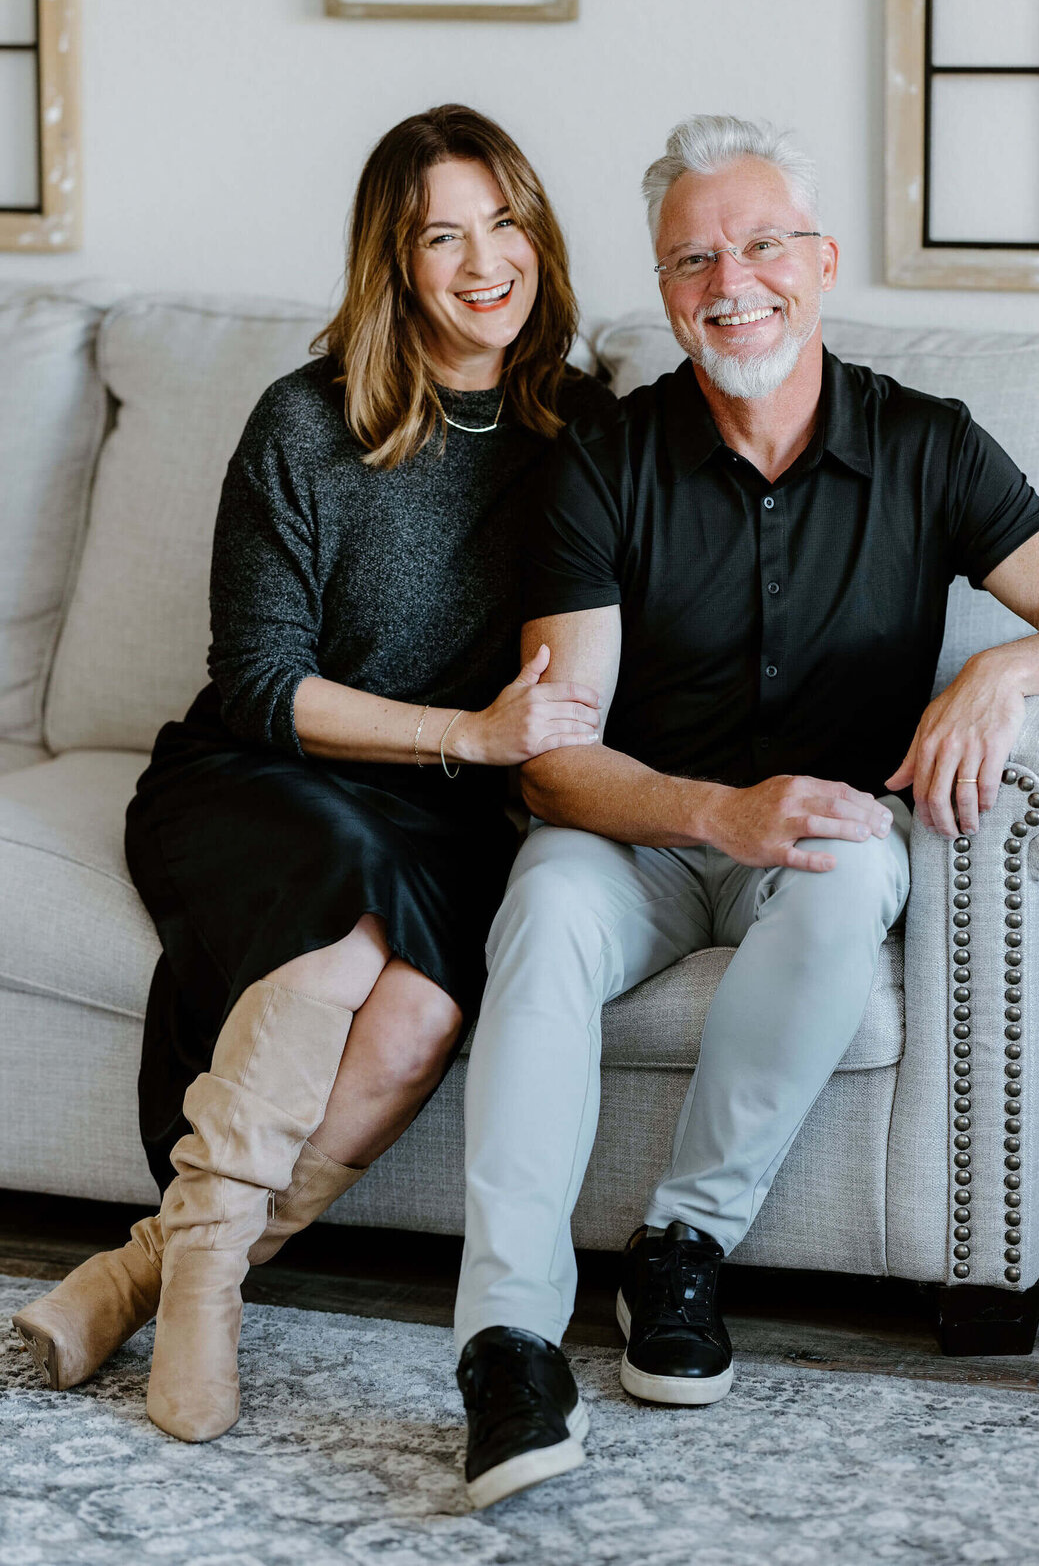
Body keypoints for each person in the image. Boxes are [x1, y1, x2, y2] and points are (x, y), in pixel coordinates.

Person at [451, 114, 1039, 1508]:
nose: (736, 282)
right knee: (539, 912)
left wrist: (1005, 671)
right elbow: (553, 761)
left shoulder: (927, 446)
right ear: (664, 293)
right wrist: (715, 814)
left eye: (765, 243)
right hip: (642, 830)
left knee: (852, 866)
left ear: (823, 259)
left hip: (822, 842)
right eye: (695, 259)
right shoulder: (605, 461)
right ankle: (507, 1340)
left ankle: (681, 1252)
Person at [12, 104, 612, 1444]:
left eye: (504, 223)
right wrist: (465, 733)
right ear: (392, 265)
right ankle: (210, 1289)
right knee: (348, 920)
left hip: (447, 820)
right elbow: (263, 686)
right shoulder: (306, 421)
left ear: (538, 236)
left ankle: (137, 1273)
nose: (482, 263)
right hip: (254, 778)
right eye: (440, 236)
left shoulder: (583, 429)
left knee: (416, 1016)